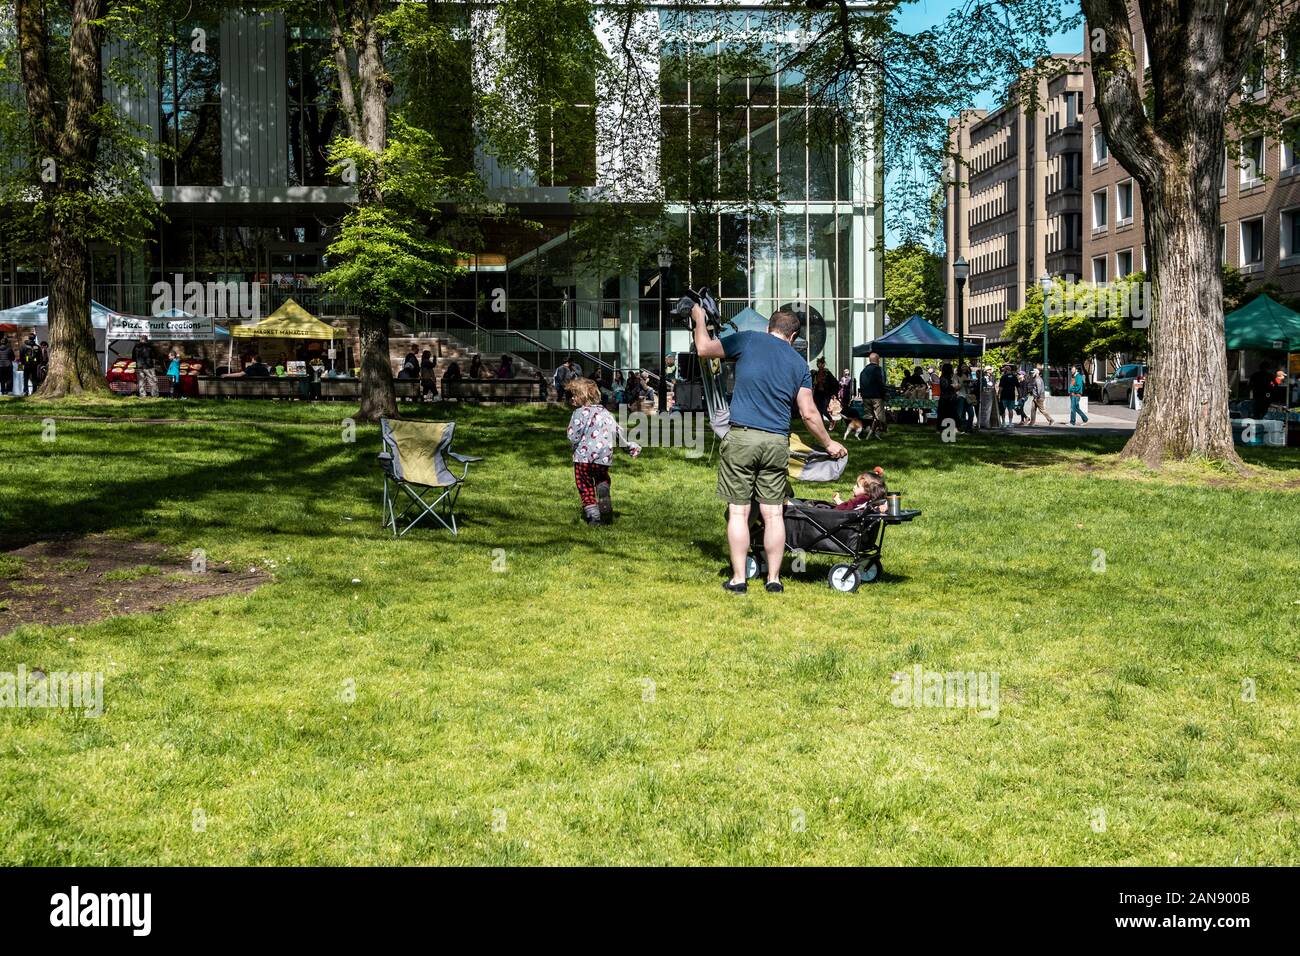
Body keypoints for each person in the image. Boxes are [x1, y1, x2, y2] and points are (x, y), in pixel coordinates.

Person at [691, 304, 847, 595]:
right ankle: (774, 579)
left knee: (738, 512)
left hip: (743, 437)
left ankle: (739, 579)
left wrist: (700, 319)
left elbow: (703, 349)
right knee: (773, 513)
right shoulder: (799, 364)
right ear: (793, 337)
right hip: (777, 441)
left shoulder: (749, 339)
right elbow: (809, 413)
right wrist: (829, 443)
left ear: (769, 328)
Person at [565, 376, 641, 525]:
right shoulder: (607, 414)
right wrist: (629, 447)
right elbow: (618, 433)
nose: (571, 399)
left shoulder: (579, 413)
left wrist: (574, 445)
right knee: (601, 478)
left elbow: (572, 435)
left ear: (583, 396)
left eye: (573, 396)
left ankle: (594, 516)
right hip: (603, 458)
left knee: (585, 486)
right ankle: (603, 490)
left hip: (583, 459)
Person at [858, 351, 887, 436]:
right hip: (876, 396)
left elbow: (861, 384)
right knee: (880, 415)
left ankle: (867, 430)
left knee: (868, 416)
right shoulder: (878, 370)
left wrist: (863, 395)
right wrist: (883, 394)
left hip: (866, 396)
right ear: (877, 360)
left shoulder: (863, 371)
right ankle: (881, 431)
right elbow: (881, 383)